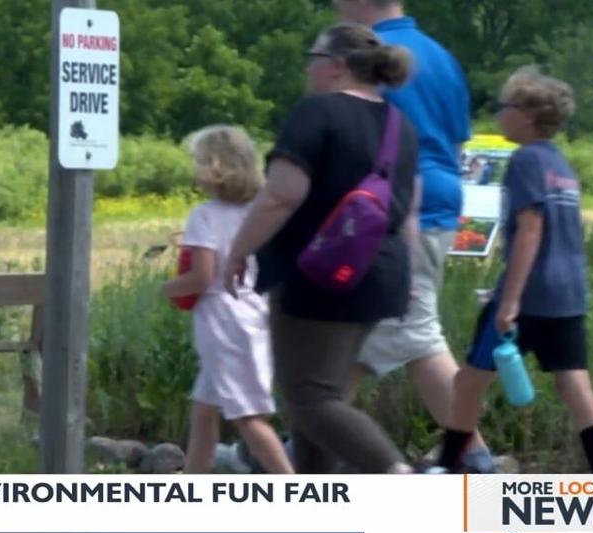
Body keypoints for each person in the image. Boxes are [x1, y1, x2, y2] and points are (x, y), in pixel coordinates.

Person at [223, 22, 419, 474]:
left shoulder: (317, 113)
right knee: (317, 397)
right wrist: (406, 277)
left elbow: (281, 195)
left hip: (318, 276)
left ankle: (396, 475)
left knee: (311, 399)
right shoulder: (399, 127)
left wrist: (239, 249)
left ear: (337, 66)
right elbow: (406, 210)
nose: (308, 68)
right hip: (380, 273)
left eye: (313, 58)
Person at [334, 0, 495, 472]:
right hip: (440, 203)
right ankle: (304, 445)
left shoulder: (371, 55)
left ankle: (474, 462)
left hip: (398, 210)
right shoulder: (440, 56)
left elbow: (358, 139)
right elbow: (458, 142)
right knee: (380, 336)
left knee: (408, 334)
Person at [438, 67, 593, 474]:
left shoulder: (525, 160)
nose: (499, 114)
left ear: (527, 114)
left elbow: (529, 231)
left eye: (504, 107)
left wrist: (510, 301)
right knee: (575, 386)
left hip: (529, 297)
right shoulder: (562, 165)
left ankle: (448, 466)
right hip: (569, 295)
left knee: (469, 382)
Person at [163, 126, 293, 474]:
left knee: (249, 417)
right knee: (204, 413)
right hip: (255, 313)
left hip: (222, 321)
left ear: (213, 169)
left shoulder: (204, 216)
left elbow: (203, 277)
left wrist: (170, 287)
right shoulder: (260, 213)